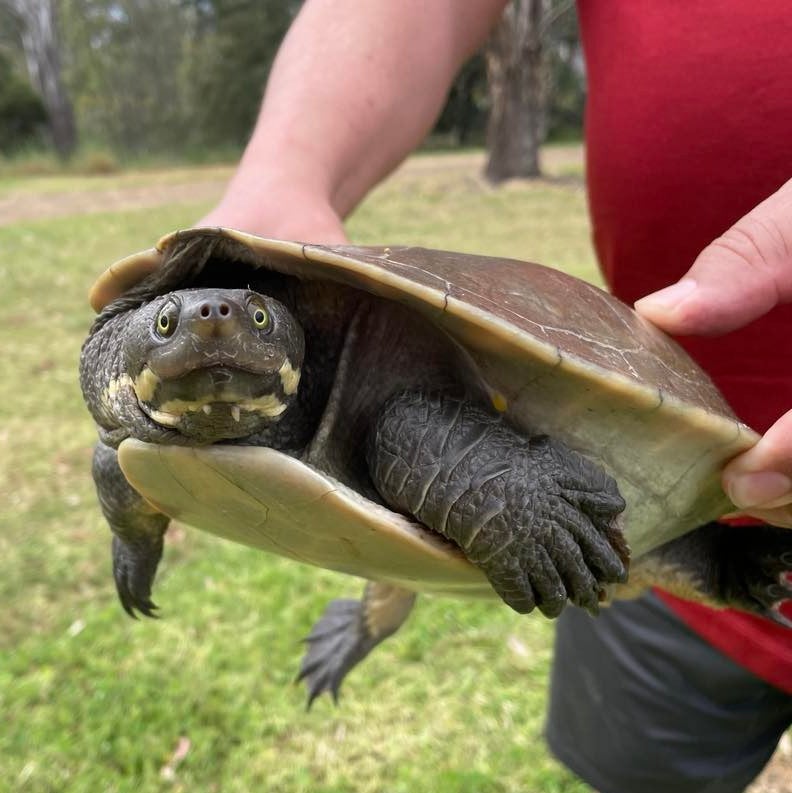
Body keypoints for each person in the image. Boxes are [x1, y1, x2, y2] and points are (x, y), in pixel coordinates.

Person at [199, 1, 792, 789]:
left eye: (255, 322)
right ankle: (698, 558)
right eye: (164, 324)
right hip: (628, 540)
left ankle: (667, 546)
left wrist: (523, 506)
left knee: (425, 444)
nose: (206, 327)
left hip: (635, 478)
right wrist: (285, 168)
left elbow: (411, 431)